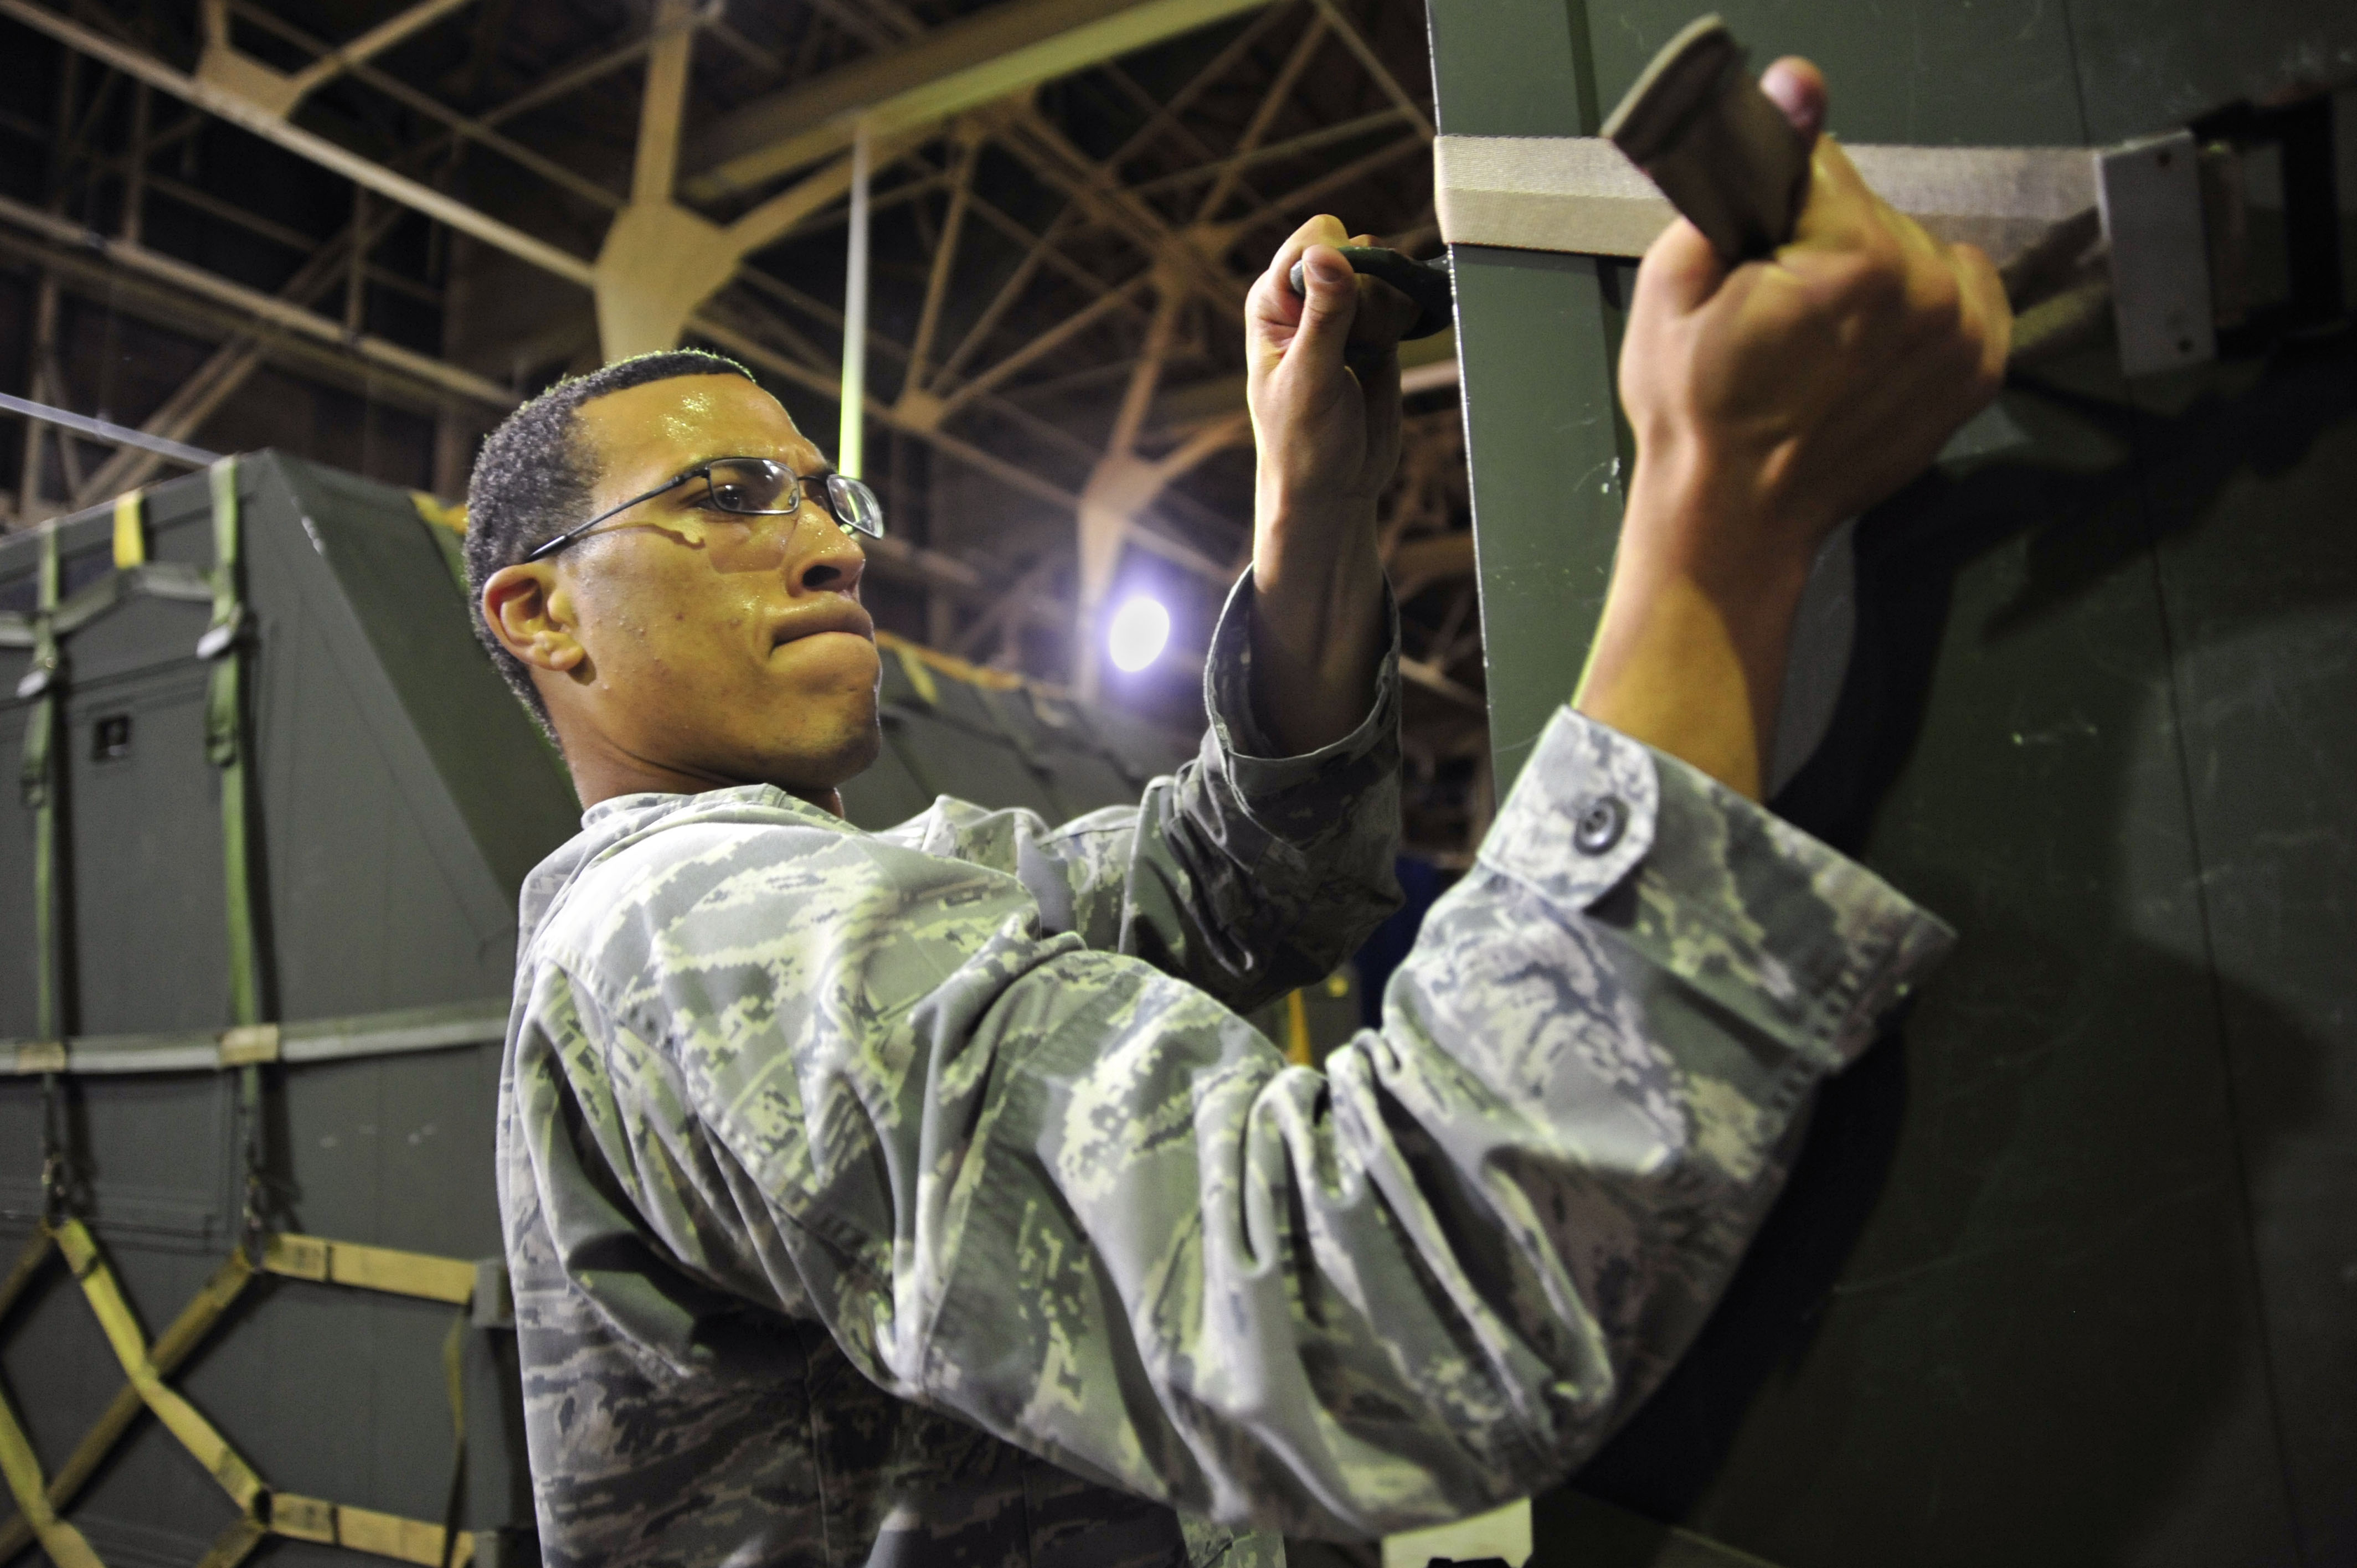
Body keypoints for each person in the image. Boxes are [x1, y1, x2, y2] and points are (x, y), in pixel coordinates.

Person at [464, 57, 2005, 1568]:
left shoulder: (827, 894)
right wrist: (1725, 513)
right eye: (730, 498)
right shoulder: (707, 928)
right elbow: (1368, 1315)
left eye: (828, 498)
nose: (830, 547)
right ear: (540, 616)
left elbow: (1252, 879)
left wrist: (1310, 508)